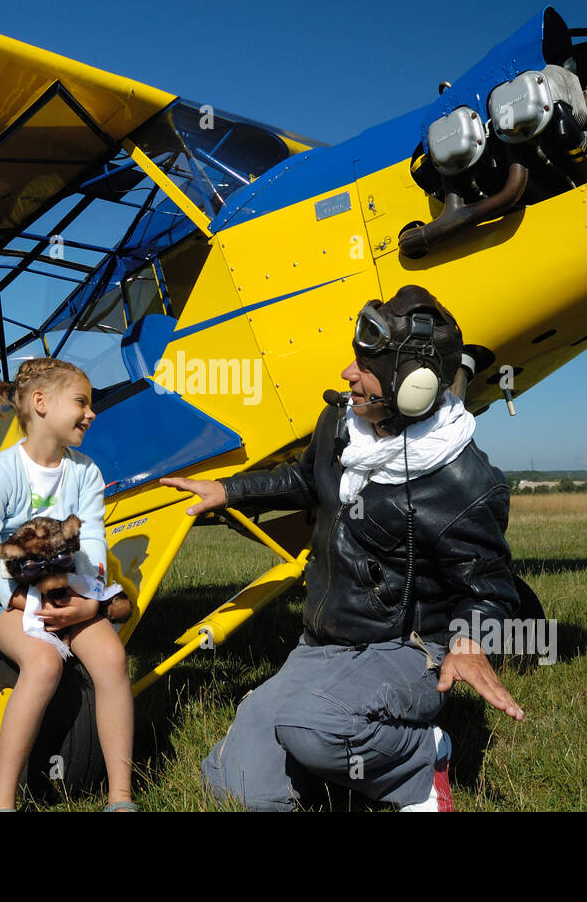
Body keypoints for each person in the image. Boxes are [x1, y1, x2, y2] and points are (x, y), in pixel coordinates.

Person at [161, 285, 526, 811]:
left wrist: (469, 640)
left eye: (365, 366)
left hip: (404, 649)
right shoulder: (341, 424)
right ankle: (339, 763)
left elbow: (488, 586)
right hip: (322, 642)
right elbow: (309, 480)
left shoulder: (465, 481)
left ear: (413, 388)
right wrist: (230, 491)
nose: (346, 374)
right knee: (238, 784)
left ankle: (424, 762)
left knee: (310, 725)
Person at [0, 357, 136, 812]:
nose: (91, 413)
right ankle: (0, 798)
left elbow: (94, 541)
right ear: (41, 403)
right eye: (81, 401)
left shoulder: (86, 472)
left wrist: (89, 599)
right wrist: (19, 598)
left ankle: (120, 796)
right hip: (2, 592)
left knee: (112, 658)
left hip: (69, 586)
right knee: (42, 663)